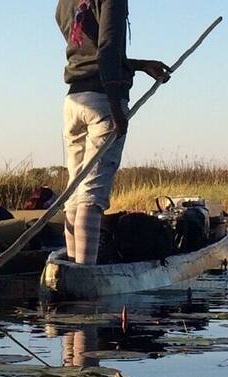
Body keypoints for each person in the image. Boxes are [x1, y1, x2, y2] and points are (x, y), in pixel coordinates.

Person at [56, 0, 171, 265]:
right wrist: (115, 104)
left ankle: (73, 270)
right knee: (91, 196)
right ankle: (84, 276)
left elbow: (89, 51)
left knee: (75, 191)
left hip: (74, 100)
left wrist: (137, 65)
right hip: (102, 100)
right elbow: (106, 48)